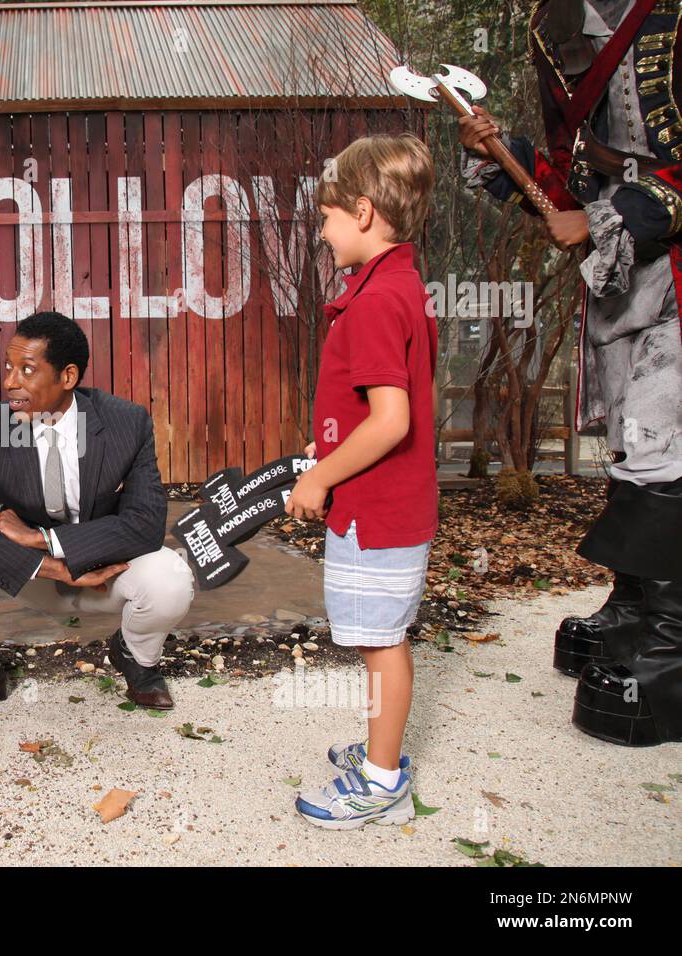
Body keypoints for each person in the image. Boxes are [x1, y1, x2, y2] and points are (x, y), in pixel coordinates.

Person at [458, 0, 682, 745]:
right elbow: (573, 180)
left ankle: (673, 643)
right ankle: (634, 605)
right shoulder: (556, 23)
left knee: (661, 445)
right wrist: (506, 158)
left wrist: (614, 215)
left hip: (672, 262)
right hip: (625, 278)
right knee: (632, 441)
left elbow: (617, 197)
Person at [0, 311, 195, 720]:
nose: (10, 381)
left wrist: (41, 539)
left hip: (104, 571)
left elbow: (145, 525)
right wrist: (52, 565)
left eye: (27, 370)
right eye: (9, 367)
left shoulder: (126, 423)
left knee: (169, 579)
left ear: (68, 376)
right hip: (32, 575)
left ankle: (136, 656)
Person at [285, 135, 438, 828]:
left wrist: (320, 476)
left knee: (381, 643)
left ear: (365, 212)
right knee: (382, 638)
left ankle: (381, 779)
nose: (322, 233)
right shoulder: (392, 284)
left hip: (377, 511)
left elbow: (390, 421)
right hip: (382, 506)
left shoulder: (377, 302)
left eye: (326, 219)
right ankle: (380, 752)